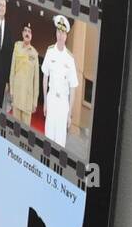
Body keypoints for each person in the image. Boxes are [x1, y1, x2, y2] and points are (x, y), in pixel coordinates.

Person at [42, 14, 80, 148]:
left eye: (63, 32)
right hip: (51, 98)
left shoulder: (70, 59)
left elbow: (73, 88)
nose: (60, 35)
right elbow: (45, 77)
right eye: (58, 31)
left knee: (60, 142)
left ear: (66, 36)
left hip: (63, 104)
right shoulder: (49, 51)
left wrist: (69, 114)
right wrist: (45, 103)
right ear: (56, 33)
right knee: (48, 138)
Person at [9, 22, 40, 125]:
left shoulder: (34, 54)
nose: (27, 33)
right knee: (15, 127)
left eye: (29, 32)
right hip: (17, 95)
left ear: (31, 36)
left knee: (25, 130)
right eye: (25, 31)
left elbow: (36, 80)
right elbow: (12, 70)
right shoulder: (17, 47)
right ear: (22, 33)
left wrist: (35, 101)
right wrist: (11, 90)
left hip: (27, 98)